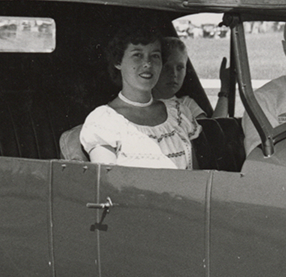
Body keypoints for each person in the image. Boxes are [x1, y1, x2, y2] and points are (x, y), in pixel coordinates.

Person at [80, 24, 201, 169]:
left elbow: (195, 178)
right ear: (118, 62)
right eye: (137, 55)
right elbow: (108, 186)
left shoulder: (180, 115)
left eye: (155, 56)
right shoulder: (103, 122)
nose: (147, 64)